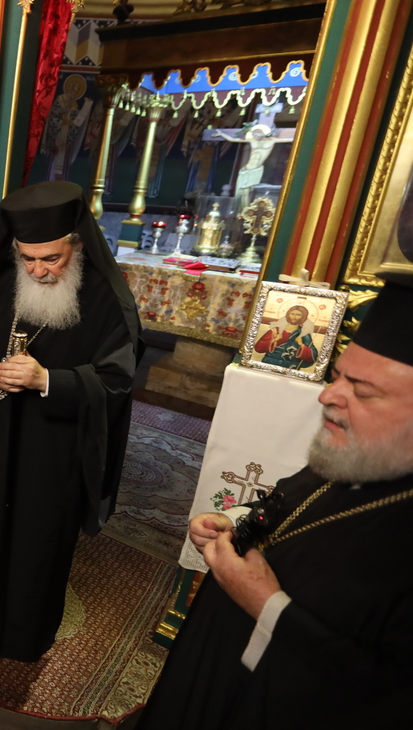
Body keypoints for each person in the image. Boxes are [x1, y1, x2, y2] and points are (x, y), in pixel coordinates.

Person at [137, 276, 413, 730]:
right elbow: (287, 507)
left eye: (361, 391)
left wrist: (266, 604)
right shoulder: (358, 455)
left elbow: (389, 686)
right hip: (212, 667)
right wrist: (234, 523)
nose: (328, 395)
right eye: (337, 375)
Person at [0, 181, 140, 662]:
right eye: (28, 259)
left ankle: (21, 631)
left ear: (77, 245)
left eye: (51, 259)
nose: (38, 271)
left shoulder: (106, 303)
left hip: (51, 456)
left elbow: (117, 382)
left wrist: (49, 380)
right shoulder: (6, 286)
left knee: (32, 547)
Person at [253, 303, 315, 369]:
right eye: (292, 314)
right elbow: (258, 347)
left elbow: (312, 357)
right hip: (269, 363)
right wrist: (274, 340)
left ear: (303, 317)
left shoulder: (303, 334)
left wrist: (301, 345)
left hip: (289, 366)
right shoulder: (275, 330)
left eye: (298, 315)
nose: (294, 317)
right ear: (288, 315)